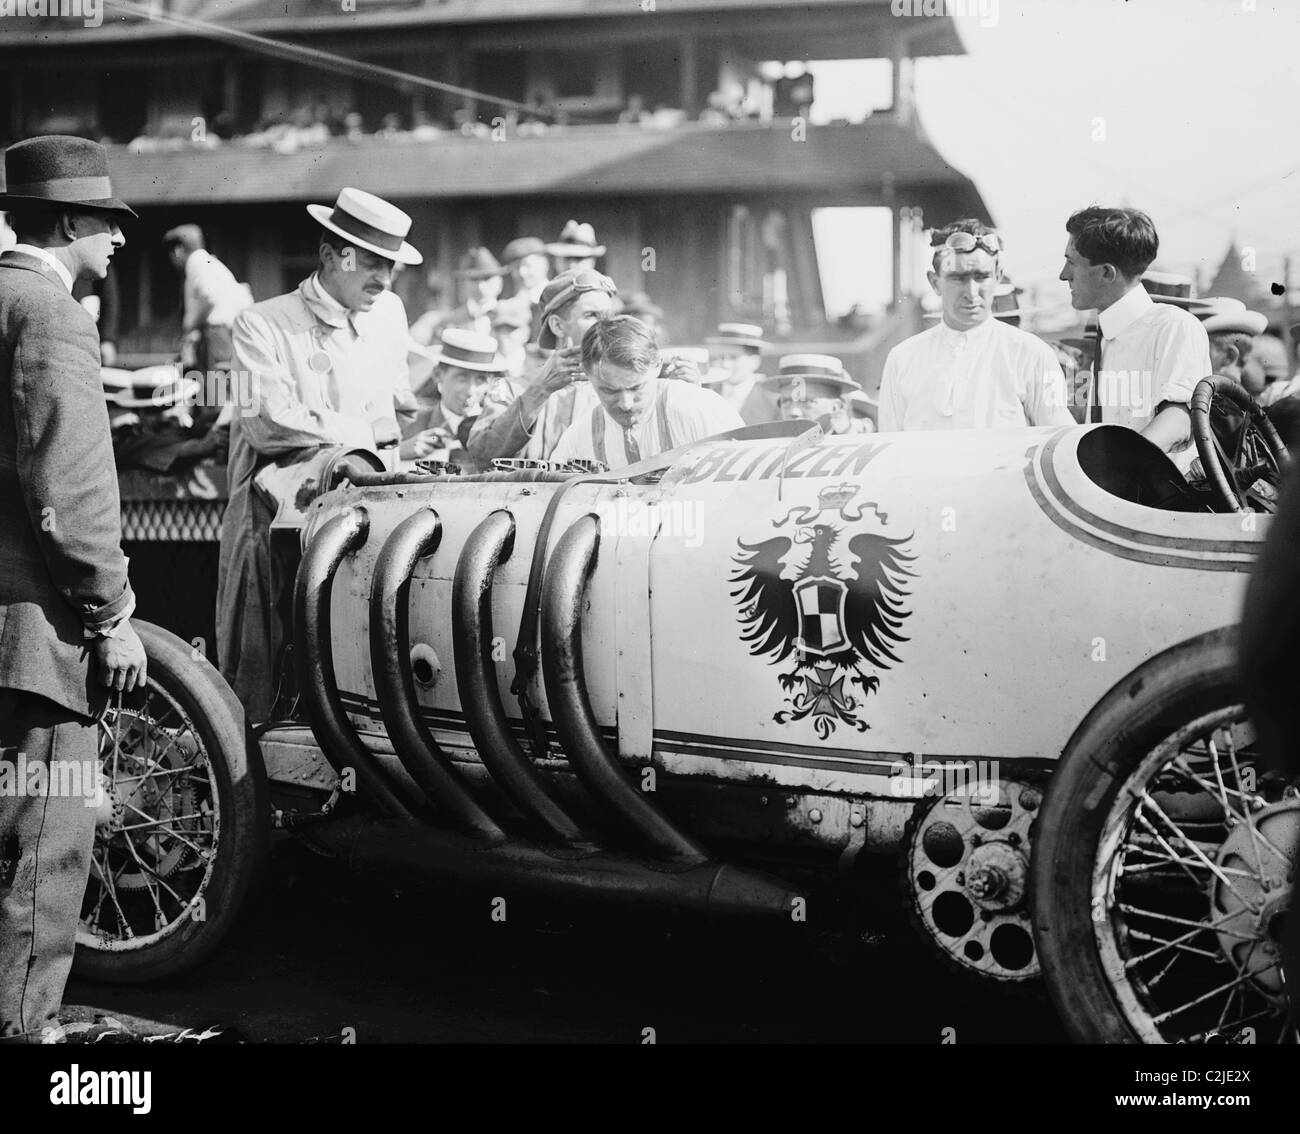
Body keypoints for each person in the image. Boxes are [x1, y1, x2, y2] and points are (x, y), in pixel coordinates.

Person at [0, 135, 146, 1043]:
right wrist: (111, 614)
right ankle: (22, 1030)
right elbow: (71, 489)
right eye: (106, 220)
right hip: (32, 633)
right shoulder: (51, 315)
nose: (119, 239)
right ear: (66, 221)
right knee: (42, 843)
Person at [216, 187, 422, 723]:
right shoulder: (259, 323)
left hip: (369, 515)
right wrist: (365, 436)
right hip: (273, 524)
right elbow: (266, 421)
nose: (383, 279)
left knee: (361, 663)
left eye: (392, 268)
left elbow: (395, 409)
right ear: (331, 256)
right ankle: (251, 789)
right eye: (372, 264)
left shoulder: (389, 315)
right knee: (264, 673)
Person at [880, 220, 1073, 432]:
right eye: (958, 278)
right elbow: (890, 449)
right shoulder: (902, 358)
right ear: (935, 282)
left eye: (982, 277)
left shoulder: (1032, 354)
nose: (972, 292)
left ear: (997, 277)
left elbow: (1058, 442)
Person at [1059, 207, 1212, 459]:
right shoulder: (1105, 337)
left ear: (1107, 273)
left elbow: (1179, 422)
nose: (1064, 275)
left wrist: (1119, 472)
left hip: (1158, 496)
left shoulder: (1173, 326)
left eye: (1071, 263)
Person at [466, 267, 618, 464]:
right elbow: (482, 454)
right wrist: (540, 391)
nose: (604, 326)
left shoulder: (623, 389)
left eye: (608, 316)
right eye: (591, 315)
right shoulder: (511, 389)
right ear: (558, 326)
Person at [549, 315, 742, 468]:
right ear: (587, 373)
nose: (626, 403)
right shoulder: (579, 437)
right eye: (609, 391)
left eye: (636, 388)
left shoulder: (699, 409)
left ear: (657, 365)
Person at [163, 224, 253, 421]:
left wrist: (191, 327)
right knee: (223, 389)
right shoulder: (213, 264)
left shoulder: (197, 263)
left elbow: (209, 297)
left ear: (178, 251)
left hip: (215, 333)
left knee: (214, 394)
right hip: (228, 332)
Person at [401, 328, 507, 470]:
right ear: (438, 374)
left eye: (480, 379)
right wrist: (399, 453)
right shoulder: (411, 424)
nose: (471, 390)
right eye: (462, 378)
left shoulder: (499, 427)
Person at [762, 354, 871, 435]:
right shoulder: (766, 450)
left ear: (835, 407)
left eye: (806, 402)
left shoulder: (854, 451)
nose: (793, 412)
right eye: (786, 401)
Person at [703, 322, 778, 425]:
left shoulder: (772, 403)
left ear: (755, 361)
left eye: (734, 358)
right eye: (721, 357)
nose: (726, 364)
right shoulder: (706, 397)